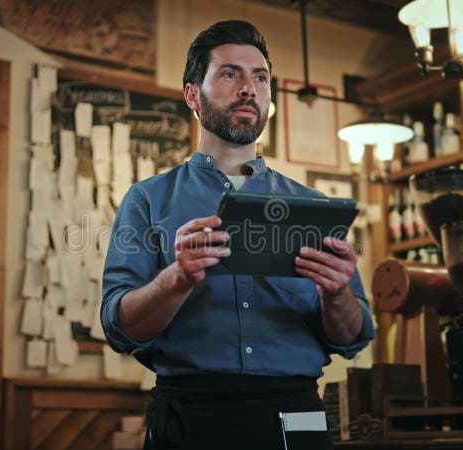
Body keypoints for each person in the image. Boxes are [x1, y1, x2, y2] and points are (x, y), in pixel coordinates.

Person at [101, 20, 373, 450]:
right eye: (231, 74)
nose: (249, 88)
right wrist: (179, 277)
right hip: (191, 418)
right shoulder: (147, 200)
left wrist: (338, 294)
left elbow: (353, 338)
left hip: (298, 415)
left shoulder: (315, 209)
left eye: (260, 77)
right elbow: (119, 327)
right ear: (193, 94)